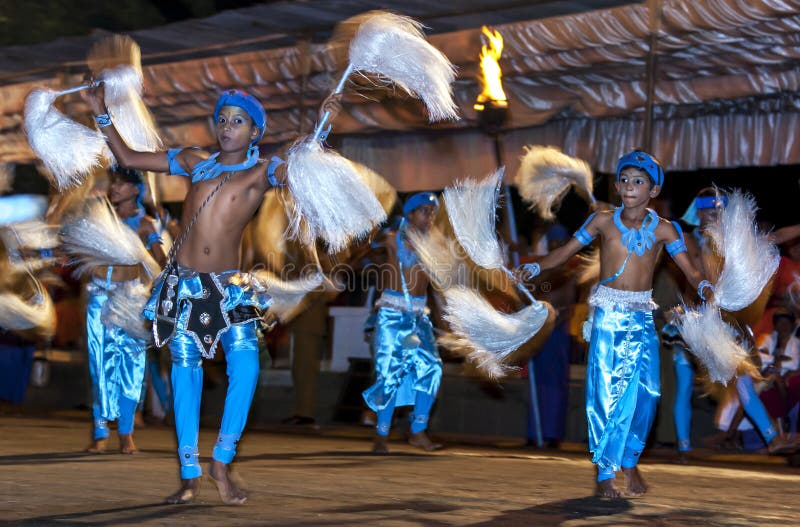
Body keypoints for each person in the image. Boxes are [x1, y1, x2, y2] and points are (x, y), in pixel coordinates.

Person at [83, 86, 327, 504]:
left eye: (238, 120)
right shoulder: (194, 162)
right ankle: (190, 472)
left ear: (255, 131)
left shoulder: (261, 172)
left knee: (247, 367)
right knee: (184, 374)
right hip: (185, 286)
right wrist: (102, 114)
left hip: (230, 290)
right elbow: (128, 158)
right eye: (222, 119)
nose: (227, 126)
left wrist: (323, 126)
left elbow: (302, 170)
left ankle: (222, 460)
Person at [520, 151, 711, 498]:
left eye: (638, 181)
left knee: (645, 394)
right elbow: (566, 252)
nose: (628, 186)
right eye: (624, 180)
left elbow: (691, 271)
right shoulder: (604, 222)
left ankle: (630, 459)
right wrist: (537, 266)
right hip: (608, 316)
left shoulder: (666, 229)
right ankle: (605, 472)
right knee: (606, 394)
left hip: (641, 318)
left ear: (653, 190)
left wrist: (706, 286)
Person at [84, 166, 166, 454]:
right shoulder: (99, 221)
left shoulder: (145, 224)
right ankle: (100, 431)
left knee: (132, 367)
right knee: (100, 366)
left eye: (121, 183)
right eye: (113, 183)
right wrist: (39, 253)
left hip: (131, 302)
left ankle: (126, 432)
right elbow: (74, 252)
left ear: (136, 190)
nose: (115, 187)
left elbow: (161, 262)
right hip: (99, 299)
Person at [362, 192, 444, 454]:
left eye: (432, 211)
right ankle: (381, 435)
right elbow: (367, 242)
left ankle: (418, 430)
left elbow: (437, 288)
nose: (430, 216)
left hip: (420, 317)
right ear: (409, 215)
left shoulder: (434, 247)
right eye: (424, 211)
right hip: (392, 315)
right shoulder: (392, 240)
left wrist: (446, 319)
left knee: (433, 368)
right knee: (389, 374)